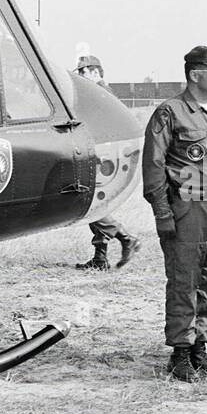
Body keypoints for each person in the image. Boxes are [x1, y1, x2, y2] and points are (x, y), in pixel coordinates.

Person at [142, 46, 207, 381]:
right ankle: (180, 353)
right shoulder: (170, 112)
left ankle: (201, 347)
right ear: (195, 75)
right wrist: (162, 213)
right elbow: (153, 168)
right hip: (188, 208)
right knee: (185, 279)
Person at [74, 54, 140, 270]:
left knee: (88, 204)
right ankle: (100, 257)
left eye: (83, 72)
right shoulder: (98, 93)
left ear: (95, 72)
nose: (81, 76)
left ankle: (126, 238)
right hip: (102, 154)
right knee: (94, 202)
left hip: (104, 156)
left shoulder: (101, 94)